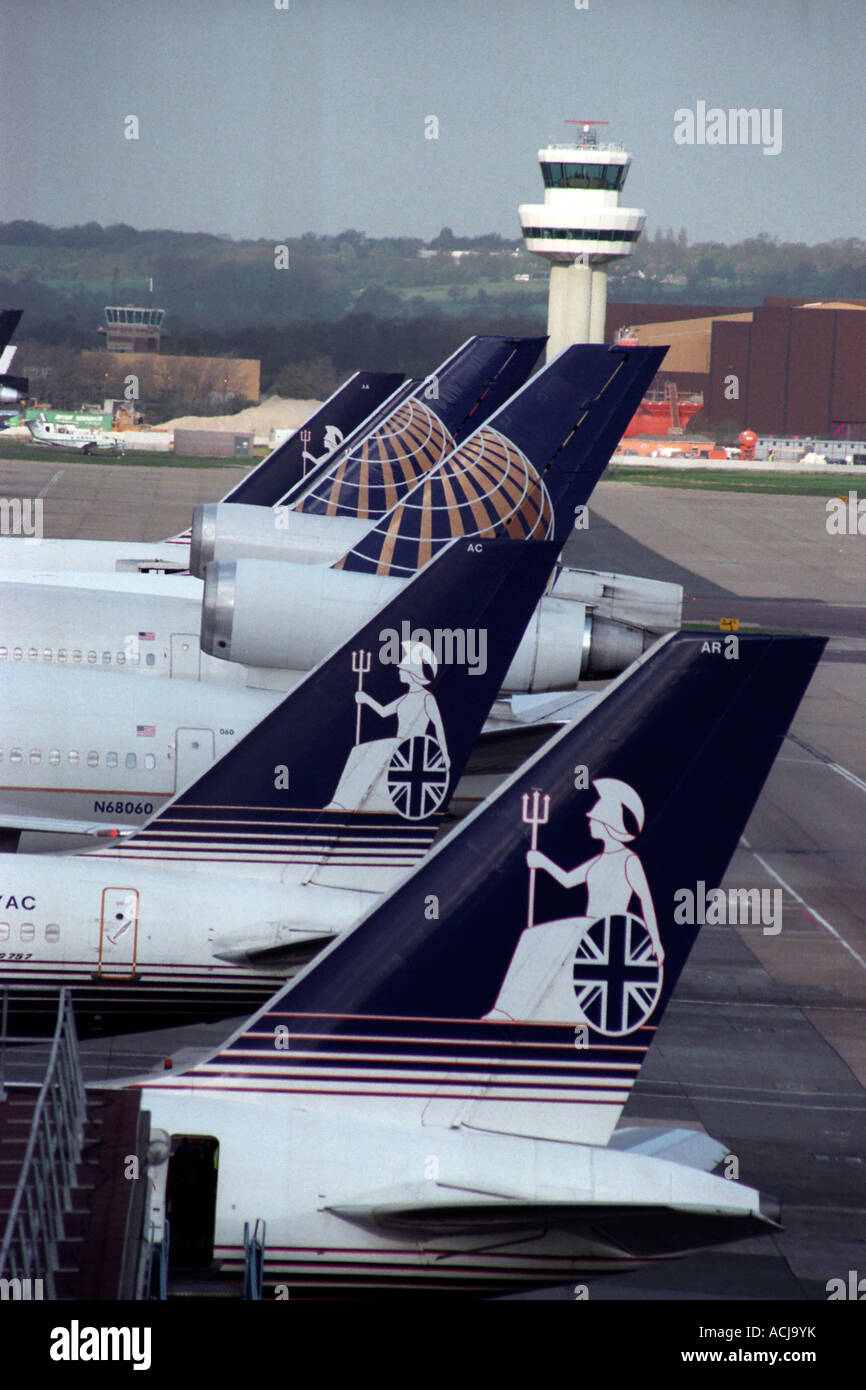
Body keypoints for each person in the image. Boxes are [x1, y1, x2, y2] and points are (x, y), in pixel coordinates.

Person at [327, 641, 449, 813]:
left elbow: (438, 725)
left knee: (372, 754)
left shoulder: (427, 698)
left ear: (410, 673)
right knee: (358, 750)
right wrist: (366, 699)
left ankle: (343, 803)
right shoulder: (405, 697)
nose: (398, 671)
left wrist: (444, 754)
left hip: (413, 746)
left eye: (402, 669)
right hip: (397, 743)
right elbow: (383, 712)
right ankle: (341, 802)